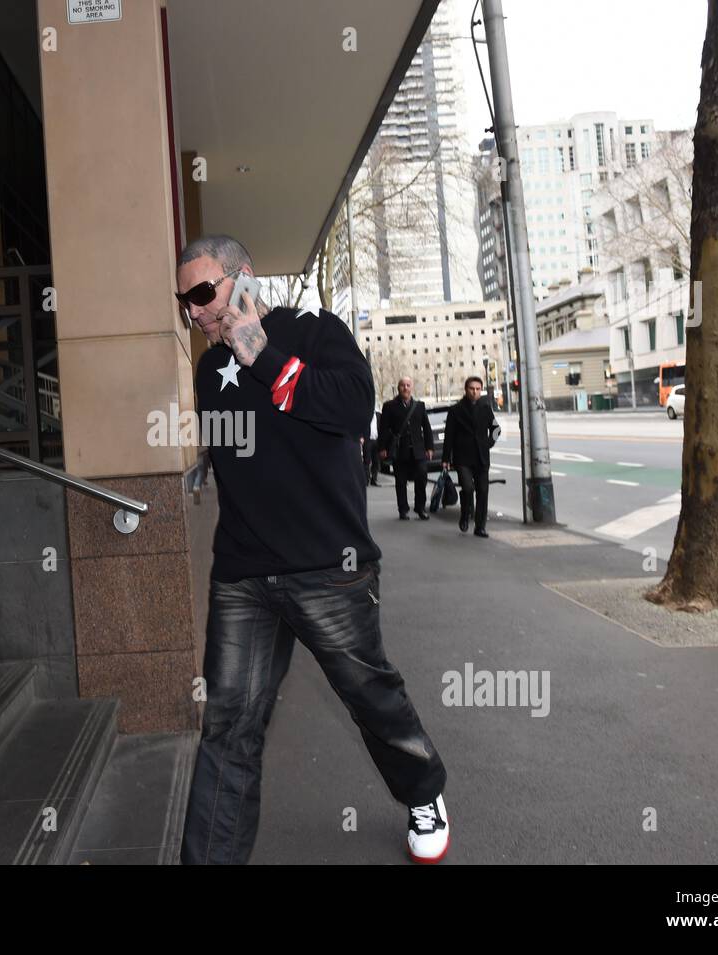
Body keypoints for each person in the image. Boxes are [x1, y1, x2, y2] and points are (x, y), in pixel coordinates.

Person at [176, 234, 449, 865]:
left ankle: (424, 792)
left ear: (243, 280)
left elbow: (353, 413)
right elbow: (237, 456)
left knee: (370, 698)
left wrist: (263, 356)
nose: (193, 312)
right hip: (244, 575)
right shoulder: (207, 372)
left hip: (331, 567)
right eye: (183, 301)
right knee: (228, 727)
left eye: (201, 293)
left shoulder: (315, 331)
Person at [441, 376, 496, 538]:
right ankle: (465, 514)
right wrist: (445, 459)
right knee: (468, 488)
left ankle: (480, 526)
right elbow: (449, 436)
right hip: (463, 458)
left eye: (478, 389)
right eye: (472, 389)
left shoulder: (485, 408)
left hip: (481, 457)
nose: (475, 392)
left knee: (483, 491)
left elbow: (496, 429)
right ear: (466, 390)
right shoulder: (456, 410)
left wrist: (488, 443)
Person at [378, 378, 434, 521]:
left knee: (422, 476)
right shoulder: (389, 406)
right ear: (398, 388)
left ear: (412, 388)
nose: (405, 388)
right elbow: (383, 429)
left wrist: (429, 447)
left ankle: (420, 507)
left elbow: (426, 428)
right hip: (399, 450)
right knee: (401, 481)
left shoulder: (419, 406)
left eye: (408, 385)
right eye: (402, 385)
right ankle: (403, 509)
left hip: (418, 450)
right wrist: (383, 447)